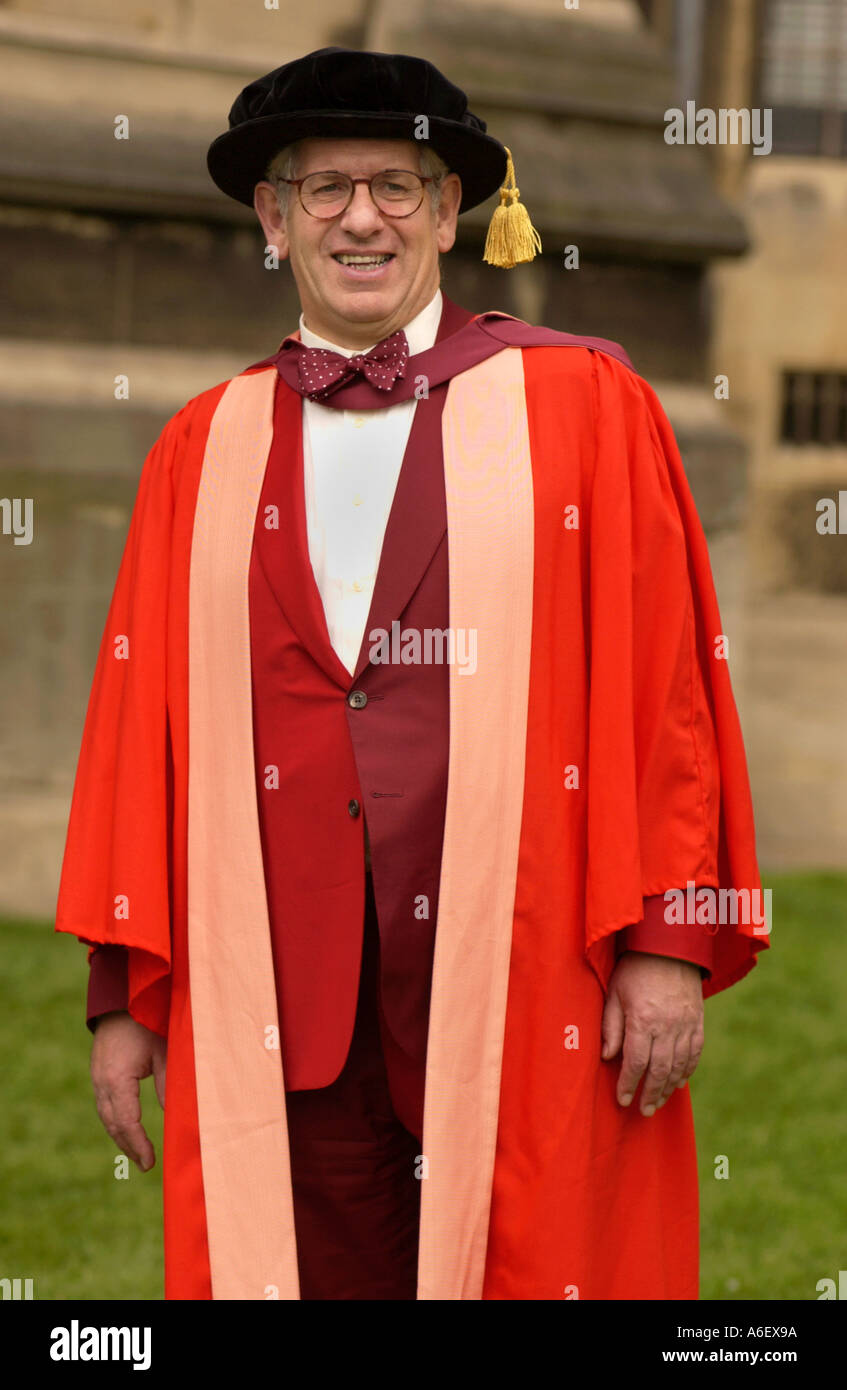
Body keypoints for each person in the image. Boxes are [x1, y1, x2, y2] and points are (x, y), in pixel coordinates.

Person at [55, 45, 768, 1301]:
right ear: (272, 218)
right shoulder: (200, 448)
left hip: (527, 968)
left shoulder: (585, 409)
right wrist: (123, 990)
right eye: (322, 189)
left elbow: (668, 694)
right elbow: (139, 732)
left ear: (450, 211)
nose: (361, 218)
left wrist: (670, 939)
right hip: (281, 990)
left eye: (395, 184)